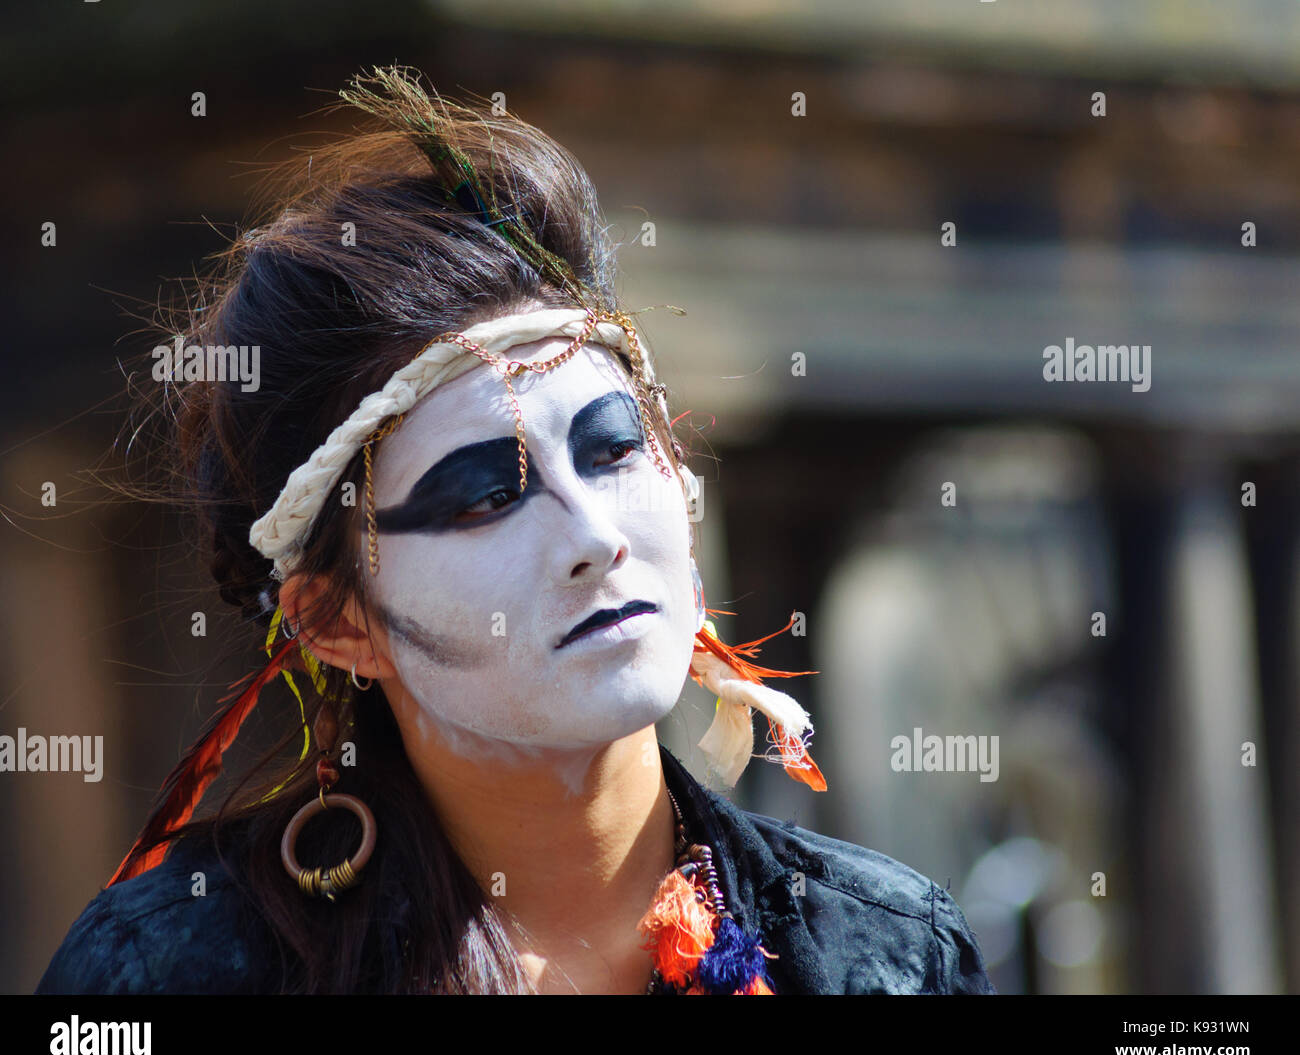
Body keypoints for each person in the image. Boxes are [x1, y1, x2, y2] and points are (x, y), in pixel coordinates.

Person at [36, 66, 995, 995]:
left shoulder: (886, 953)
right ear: (337, 620)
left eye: (615, 451)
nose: (594, 535)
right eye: (485, 497)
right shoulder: (173, 973)